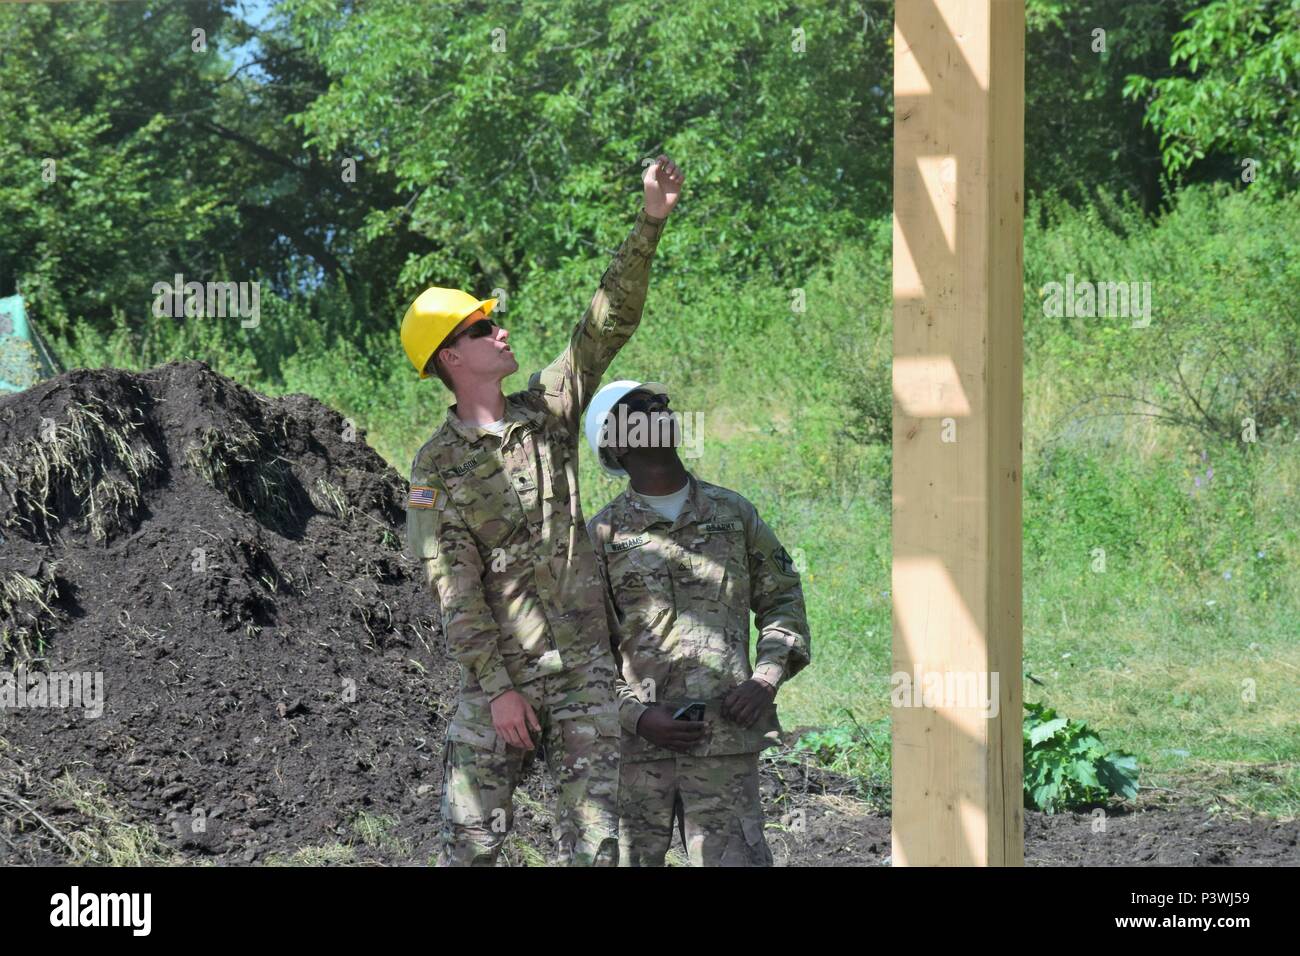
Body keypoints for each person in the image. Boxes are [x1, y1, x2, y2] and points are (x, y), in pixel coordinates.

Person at [402, 157, 685, 866]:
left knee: (599, 852)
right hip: (498, 684)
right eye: (480, 329)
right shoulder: (429, 469)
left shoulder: (551, 410)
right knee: (467, 848)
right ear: (450, 358)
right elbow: (448, 588)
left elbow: (606, 323)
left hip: (588, 675)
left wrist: (649, 221)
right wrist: (497, 691)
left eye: (494, 322)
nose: (500, 332)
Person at [583, 380, 811, 866]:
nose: (661, 410)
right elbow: (586, 651)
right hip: (637, 756)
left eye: (662, 403)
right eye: (642, 408)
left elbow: (784, 599)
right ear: (617, 442)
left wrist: (764, 679)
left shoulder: (734, 514)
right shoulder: (600, 535)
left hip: (724, 744)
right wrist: (640, 717)